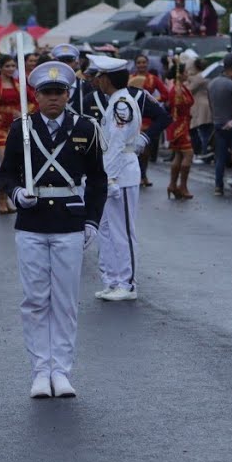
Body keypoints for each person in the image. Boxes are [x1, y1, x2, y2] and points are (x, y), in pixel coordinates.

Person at [0, 61, 106, 398]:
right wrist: (16, 194)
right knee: (34, 300)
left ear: (68, 94)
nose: (53, 99)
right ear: (36, 95)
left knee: (65, 300)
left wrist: (91, 220)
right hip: (31, 222)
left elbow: (98, 179)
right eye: (47, 93)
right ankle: (40, 371)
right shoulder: (22, 129)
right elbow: (7, 173)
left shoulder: (86, 128)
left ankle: (61, 370)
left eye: (59, 92)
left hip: (69, 221)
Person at [86, 54, 170, 302]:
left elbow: (117, 144)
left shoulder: (121, 104)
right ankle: (113, 280)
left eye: (99, 76)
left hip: (121, 172)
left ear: (107, 79)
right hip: (113, 172)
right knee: (108, 230)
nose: (97, 81)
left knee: (122, 230)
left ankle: (128, 283)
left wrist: (109, 178)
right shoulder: (117, 101)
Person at [0, 55, 36, 215]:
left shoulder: (20, 85)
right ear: (0, 68)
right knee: (5, 162)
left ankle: (10, 195)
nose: (11, 69)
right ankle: (1, 199)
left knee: (16, 163)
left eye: (13, 66)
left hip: (16, 127)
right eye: (7, 66)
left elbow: (34, 100)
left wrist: (24, 112)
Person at [131, 54, 170, 188]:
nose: (141, 65)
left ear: (147, 64)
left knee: (145, 151)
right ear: (135, 65)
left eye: (144, 62)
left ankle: (144, 175)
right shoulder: (130, 79)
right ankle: (136, 175)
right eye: (139, 62)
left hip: (148, 118)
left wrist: (152, 101)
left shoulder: (153, 79)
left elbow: (166, 94)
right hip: (134, 118)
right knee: (133, 150)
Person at [209, 55, 232, 195]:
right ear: (231, 69)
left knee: (220, 157)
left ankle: (218, 186)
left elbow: (211, 104)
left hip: (217, 123)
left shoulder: (212, 83)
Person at [165, 59, 196, 199]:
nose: (187, 74)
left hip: (181, 124)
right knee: (188, 154)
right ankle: (182, 186)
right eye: (185, 72)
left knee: (179, 154)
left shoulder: (180, 88)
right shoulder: (177, 90)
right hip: (180, 125)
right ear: (180, 74)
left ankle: (173, 185)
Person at [188, 57, 213, 163]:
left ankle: (203, 154)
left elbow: (189, 89)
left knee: (203, 133)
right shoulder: (207, 76)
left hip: (201, 107)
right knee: (205, 132)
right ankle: (204, 153)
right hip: (207, 105)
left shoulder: (199, 78)